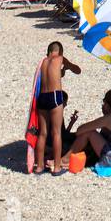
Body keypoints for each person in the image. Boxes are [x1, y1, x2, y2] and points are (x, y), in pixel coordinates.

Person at [35, 41, 81, 175]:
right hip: (54, 96)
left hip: (42, 97)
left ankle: (39, 167)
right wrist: (67, 66)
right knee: (56, 133)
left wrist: (61, 72)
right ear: (60, 52)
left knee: (42, 133)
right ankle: (57, 167)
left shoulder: (43, 62)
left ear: (48, 51)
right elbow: (77, 70)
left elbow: (51, 77)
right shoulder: (60, 58)